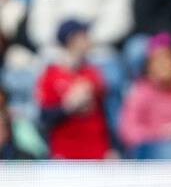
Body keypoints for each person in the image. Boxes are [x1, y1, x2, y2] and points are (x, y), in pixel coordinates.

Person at [36, 19, 113, 159]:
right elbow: (44, 117)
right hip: (66, 154)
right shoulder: (51, 75)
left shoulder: (92, 72)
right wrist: (68, 106)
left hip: (97, 152)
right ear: (72, 39)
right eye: (84, 35)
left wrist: (111, 148)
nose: (88, 39)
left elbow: (105, 113)